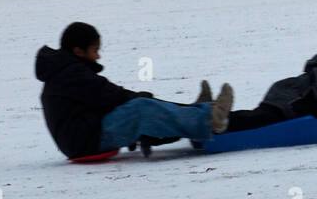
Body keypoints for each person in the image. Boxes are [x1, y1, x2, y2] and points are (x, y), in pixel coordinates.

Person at [36, 22, 233, 159]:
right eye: (95, 50)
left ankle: (198, 111)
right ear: (78, 51)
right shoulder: (71, 74)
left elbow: (105, 97)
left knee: (143, 108)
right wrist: (140, 98)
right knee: (141, 109)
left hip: (86, 136)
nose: (97, 56)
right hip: (86, 142)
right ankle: (209, 118)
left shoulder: (65, 71)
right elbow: (110, 95)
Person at [220, 32, 317, 133]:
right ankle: (214, 121)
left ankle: (213, 115)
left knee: (256, 119)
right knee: (257, 122)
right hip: (288, 104)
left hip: (288, 101)